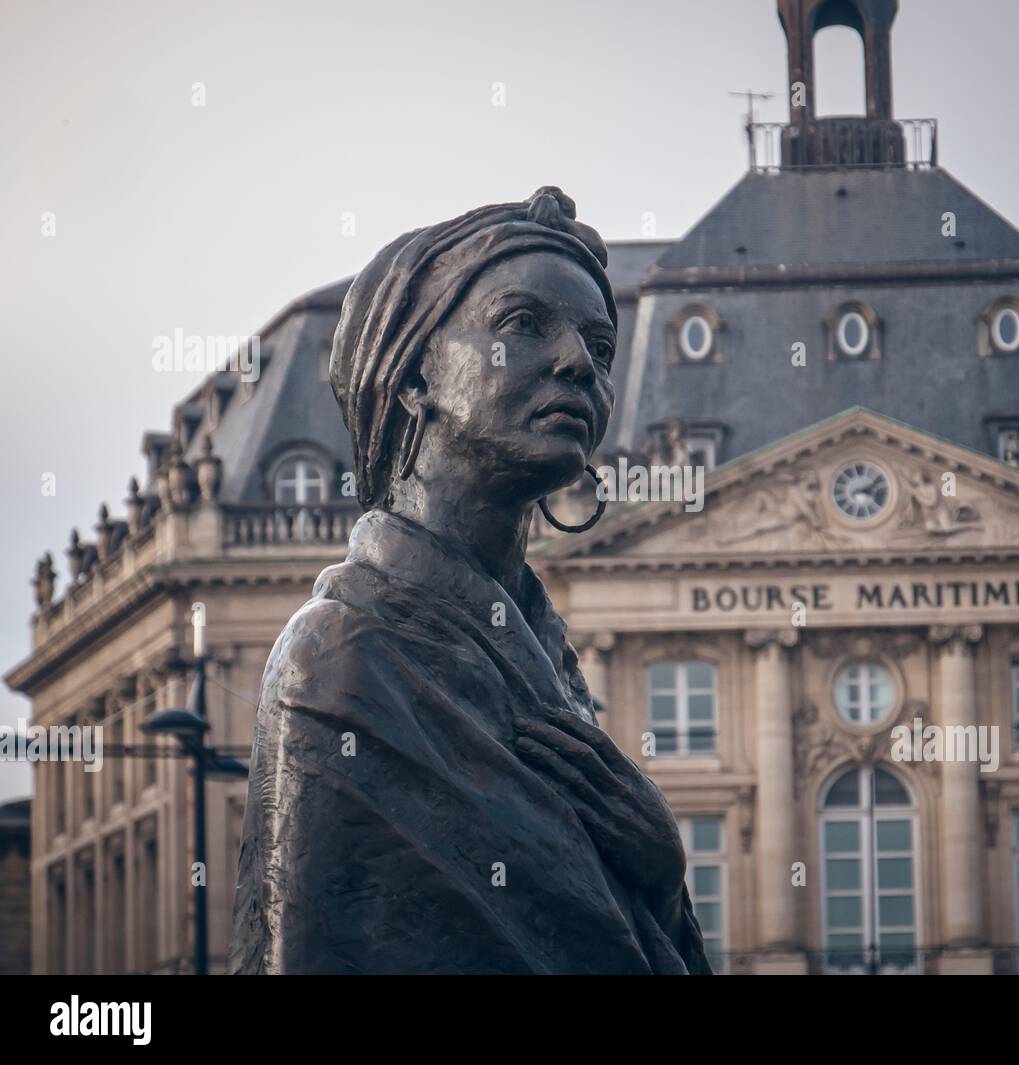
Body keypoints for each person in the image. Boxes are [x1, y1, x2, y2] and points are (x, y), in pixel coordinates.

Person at [229, 187, 711, 974]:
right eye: (524, 325)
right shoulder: (344, 657)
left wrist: (659, 874)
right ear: (413, 374)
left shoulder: (547, 662)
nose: (577, 362)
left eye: (600, 345)